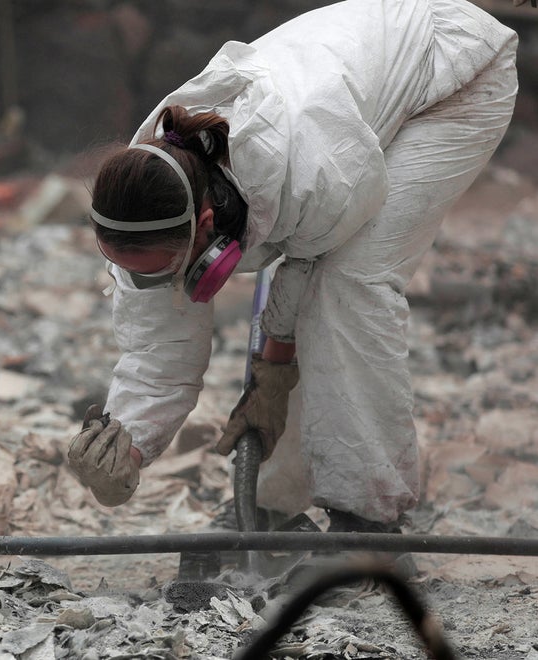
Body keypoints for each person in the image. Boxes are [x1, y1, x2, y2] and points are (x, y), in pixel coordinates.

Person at [68, 0, 518, 535]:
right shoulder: (146, 199)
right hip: (352, 93)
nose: (151, 282)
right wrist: (129, 446)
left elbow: (308, 270)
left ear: (206, 224)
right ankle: (271, 507)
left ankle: (368, 522)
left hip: (453, 70)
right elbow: (156, 342)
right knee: (309, 309)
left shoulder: (311, 169)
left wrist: (272, 374)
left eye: (164, 268)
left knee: (349, 286)